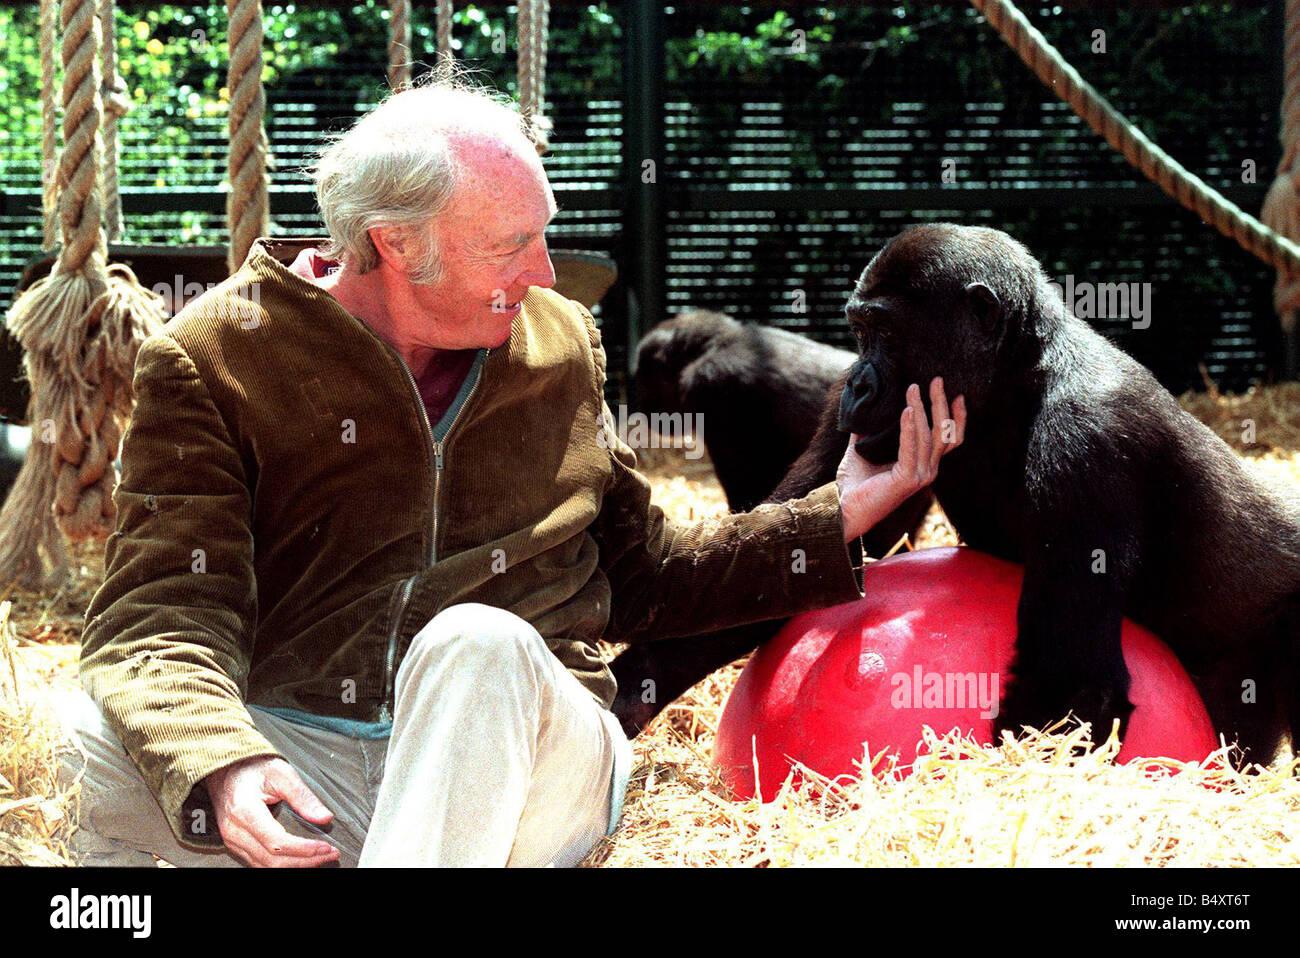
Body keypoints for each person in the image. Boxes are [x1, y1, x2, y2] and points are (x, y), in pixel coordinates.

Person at [53, 73, 966, 868]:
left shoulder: (560, 343)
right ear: (397, 243)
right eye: (509, 247)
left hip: (530, 755)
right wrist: (220, 756)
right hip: (310, 758)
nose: (542, 272)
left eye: (545, 236)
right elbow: (160, 614)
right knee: (97, 735)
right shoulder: (211, 355)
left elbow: (643, 575)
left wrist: (835, 514)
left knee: (475, 643)